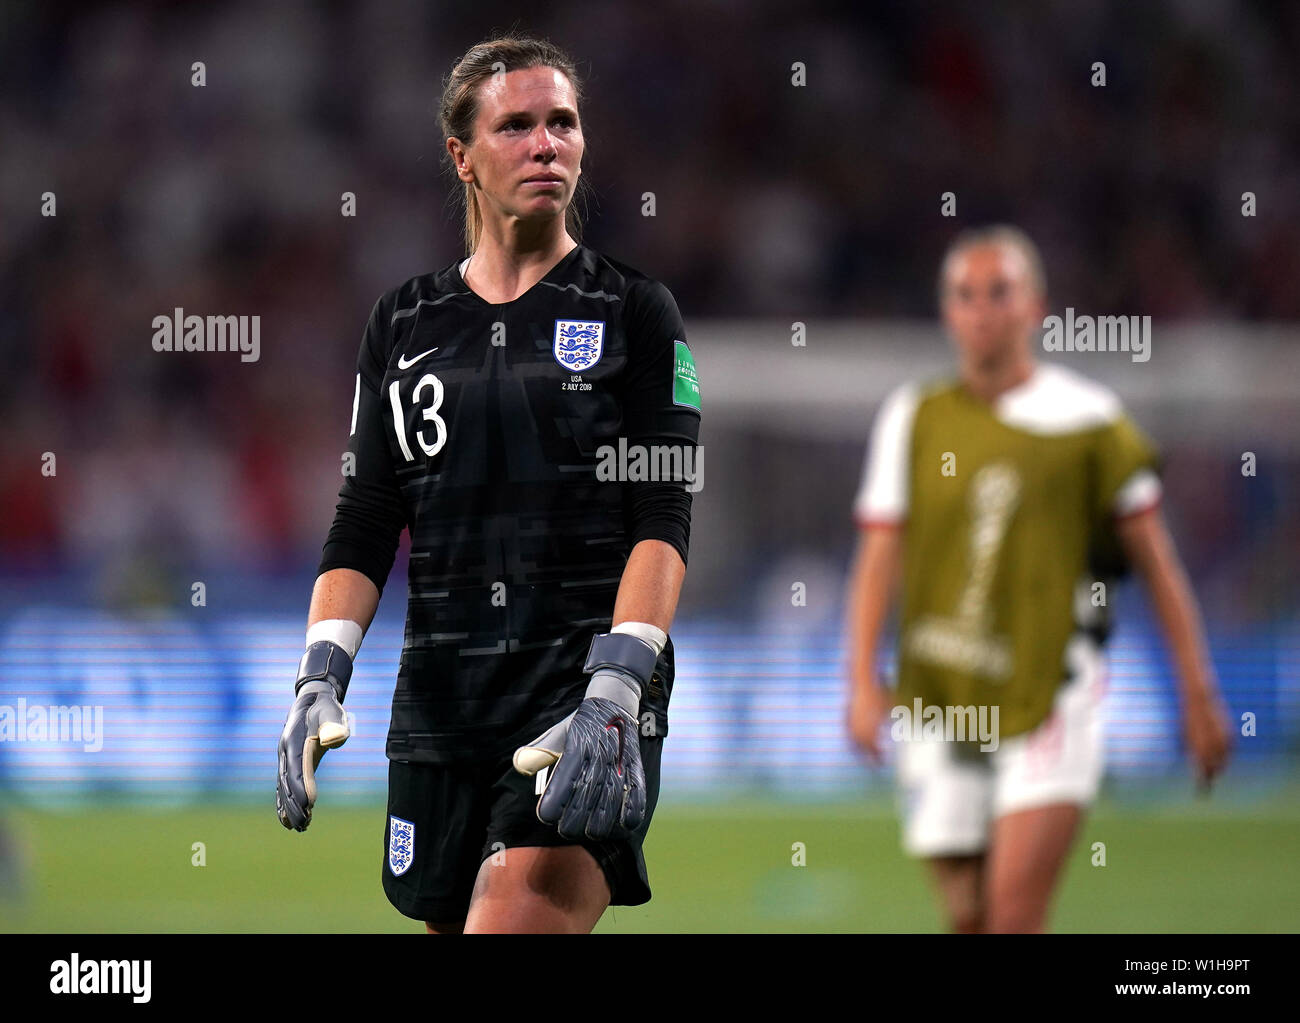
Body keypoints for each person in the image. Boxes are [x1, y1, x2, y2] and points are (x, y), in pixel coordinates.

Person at [275, 34, 701, 934]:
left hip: (580, 694)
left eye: (563, 122)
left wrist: (619, 688)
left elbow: (662, 518)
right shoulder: (402, 322)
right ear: (461, 156)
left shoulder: (635, 312)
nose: (547, 144)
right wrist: (319, 673)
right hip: (440, 700)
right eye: (517, 125)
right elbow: (365, 516)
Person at [845, 225, 1231, 933]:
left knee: (1015, 915)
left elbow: (1158, 563)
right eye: (966, 295)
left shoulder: (1090, 420)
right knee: (968, 914)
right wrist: (861, 679)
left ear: (1037, 309)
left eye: (1000, 292)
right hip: (941, 697)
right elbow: (878, 556)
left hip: (1053, 690)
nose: (983, 310)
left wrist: (1197, 692)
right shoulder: (912, 417)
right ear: (947, 311)